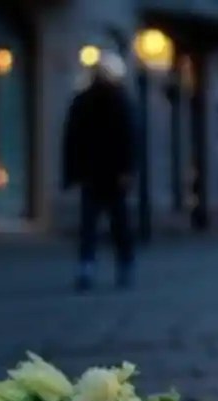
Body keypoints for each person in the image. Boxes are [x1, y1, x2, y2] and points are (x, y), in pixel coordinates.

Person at [62, 51, 137, 292]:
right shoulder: (119, 100)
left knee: (93, 225)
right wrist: (127, 170)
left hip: (94, 173)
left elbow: (71, 139)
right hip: (109, 173)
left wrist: (72, 173)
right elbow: (129, 139)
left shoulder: (84, 101)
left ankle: (89, 267)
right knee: (116, 224)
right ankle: (122, 266)